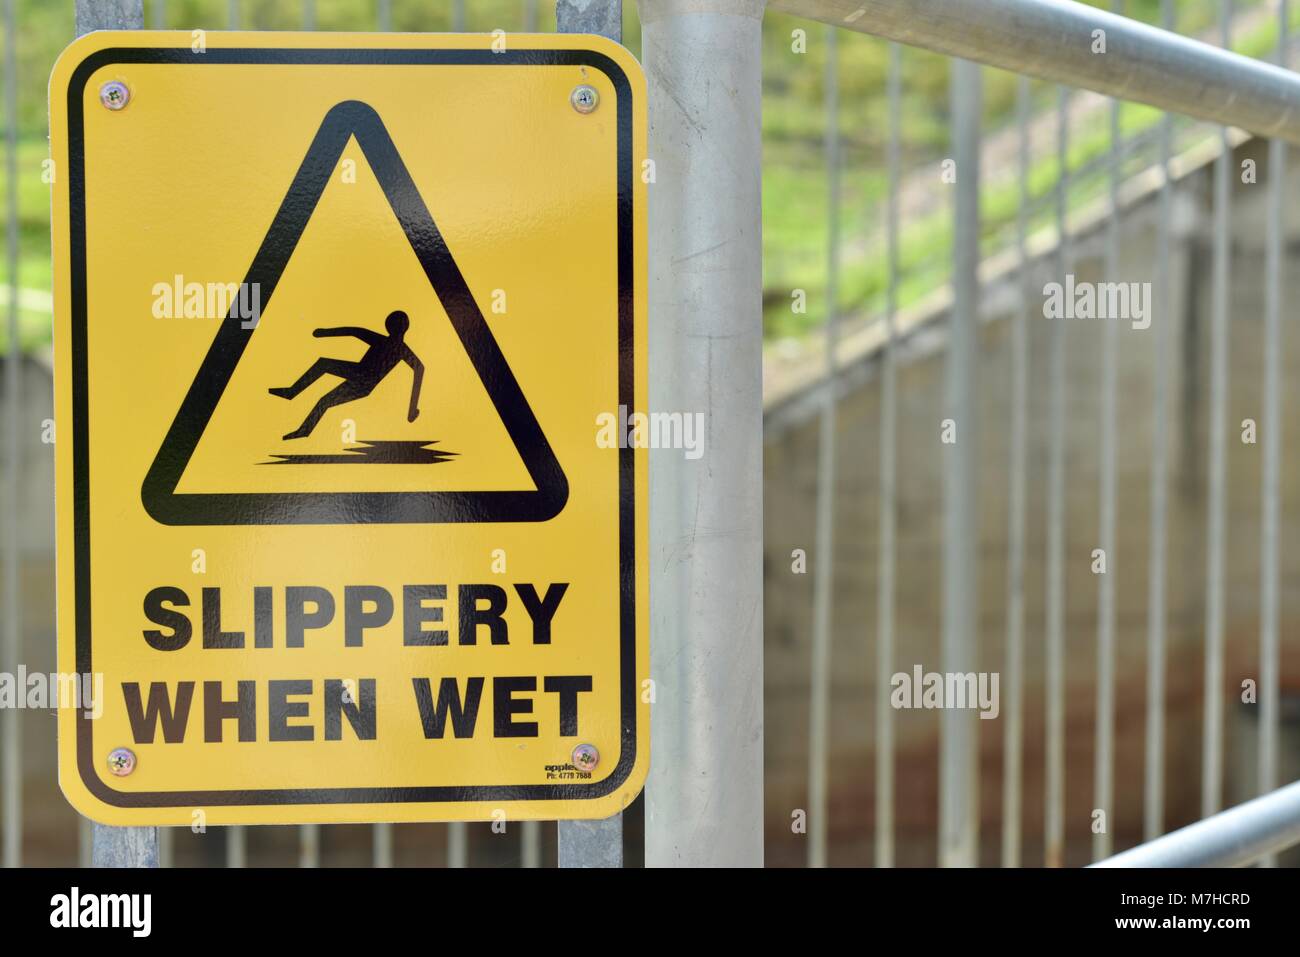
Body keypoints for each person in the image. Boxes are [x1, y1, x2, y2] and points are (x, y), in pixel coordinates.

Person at [269, 310, 424, 440]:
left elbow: (354, 331)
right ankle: (300, 418)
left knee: (325, 392)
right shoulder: (397, 347)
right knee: (324, 390)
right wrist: (412, 410)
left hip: (362, 382)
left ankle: (298, 412)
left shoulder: (390, 344)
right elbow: (354, 331)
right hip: (360, 377)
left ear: (389, 327)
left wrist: (324, 333)